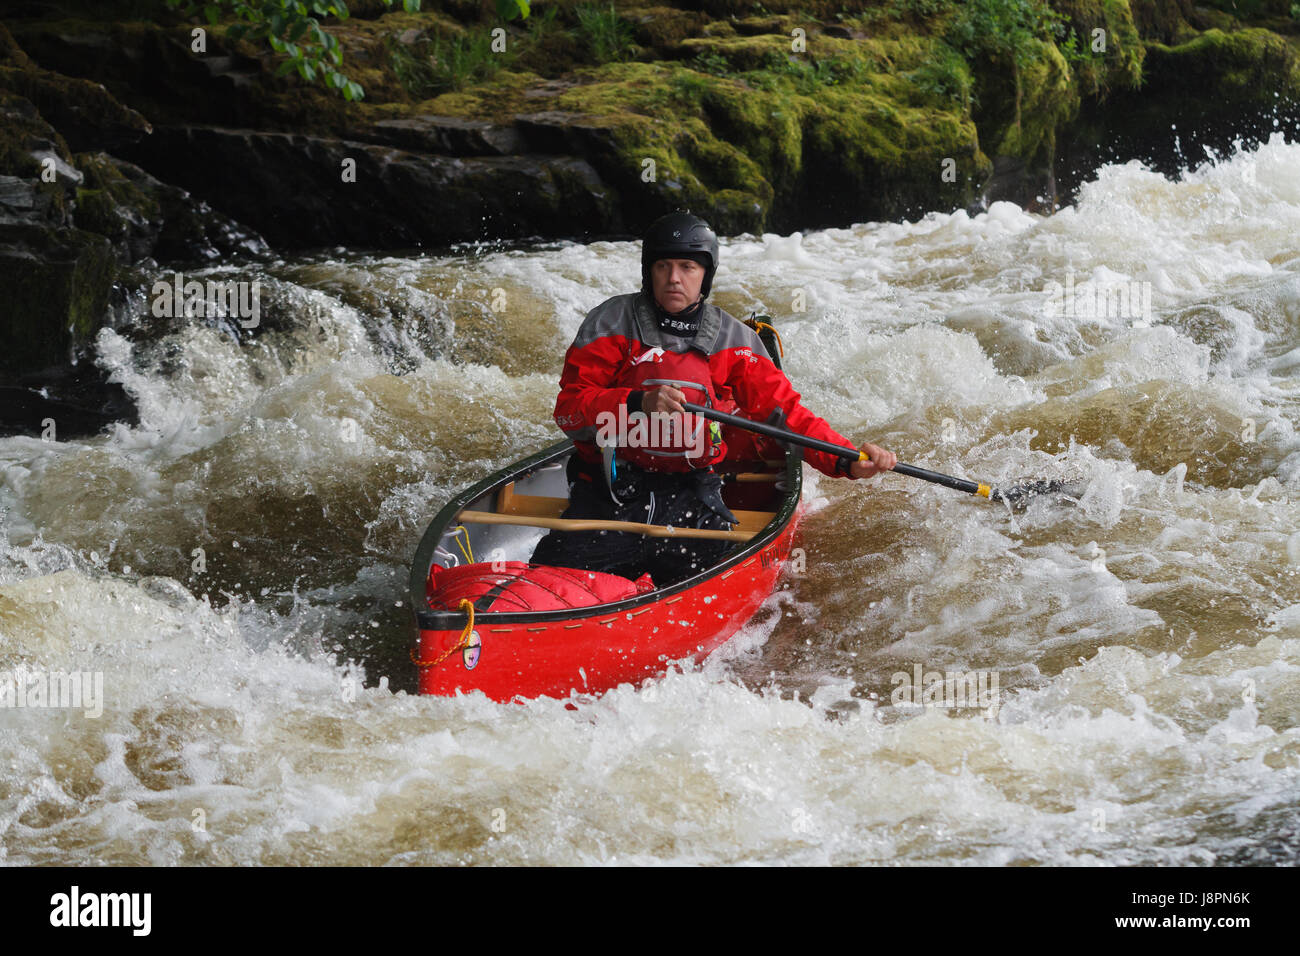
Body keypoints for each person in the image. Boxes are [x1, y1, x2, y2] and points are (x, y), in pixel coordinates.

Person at [530, 211, 896, 586]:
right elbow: (570, 412)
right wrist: (636, 402)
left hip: (693, 500)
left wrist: (848, 461)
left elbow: (786, 416)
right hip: (609, 498)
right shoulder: (609, 324)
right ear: (648, 272)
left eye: (687, 267)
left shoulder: (734, 341)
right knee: (543, 585)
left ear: (705, 275)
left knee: (718, 573)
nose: (674, 277)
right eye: (664, 266)